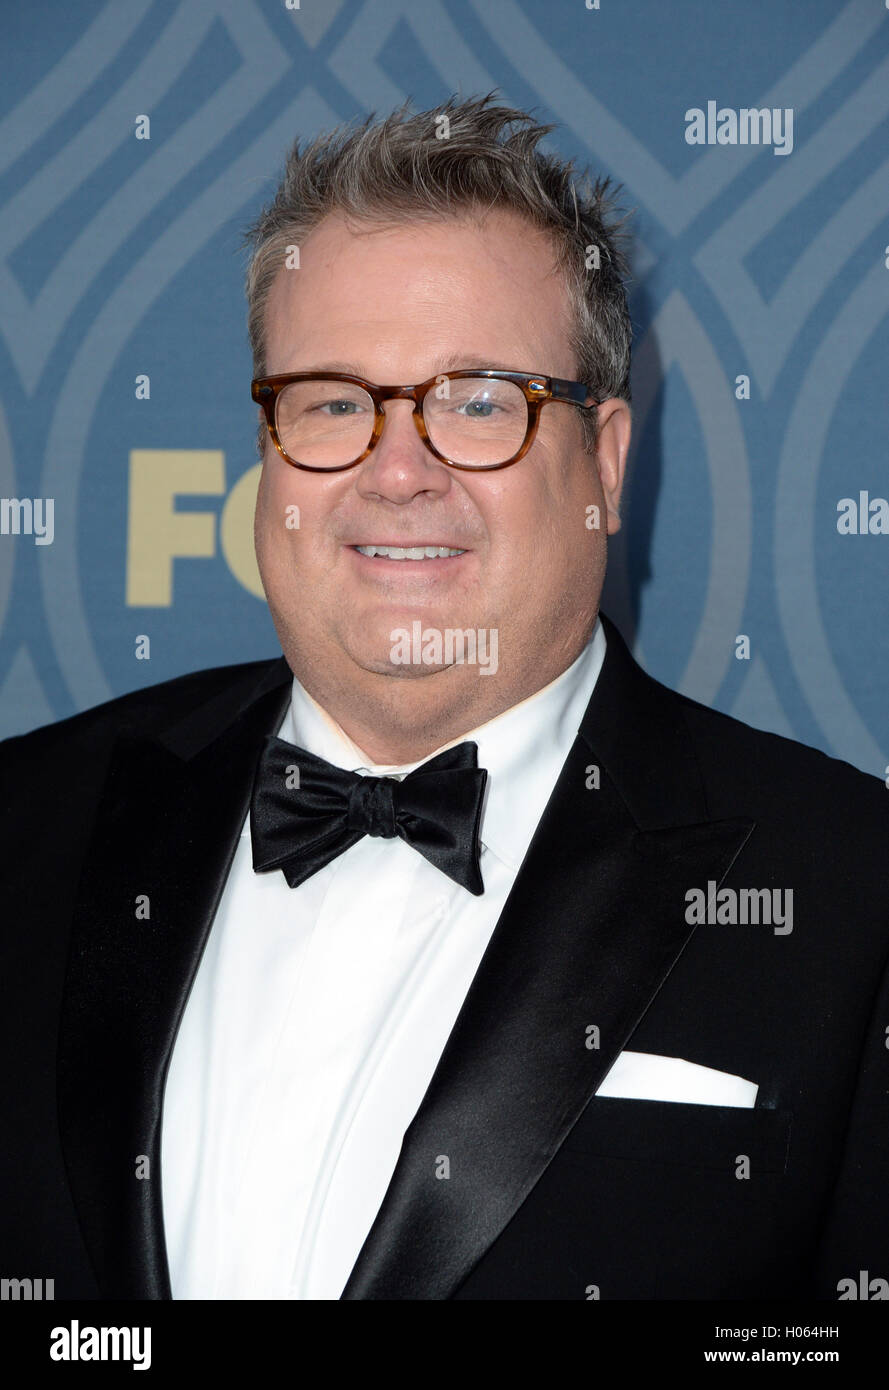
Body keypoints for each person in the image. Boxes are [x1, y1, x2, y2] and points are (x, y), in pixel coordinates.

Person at [1, 94, 887, 1302]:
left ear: (607, 463)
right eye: (330, 400)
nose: (397, 470)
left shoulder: (851, 888)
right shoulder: (26, 820)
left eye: (479, 402)